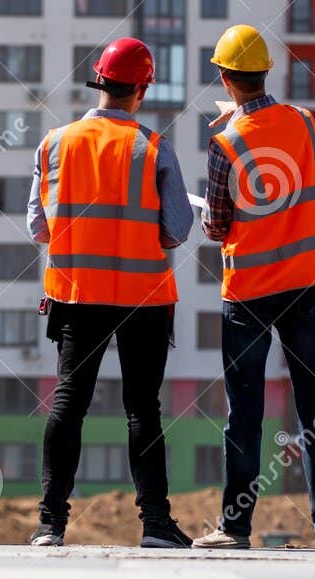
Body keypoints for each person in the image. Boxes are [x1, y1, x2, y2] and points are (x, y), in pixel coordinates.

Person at [192, 25, 315, 551]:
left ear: (223, 76)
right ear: (265, 73)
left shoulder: (225, 144)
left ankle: (235, 528)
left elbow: (218, 226)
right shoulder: (305, 123)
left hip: (250, 289)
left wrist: (238, 130)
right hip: (307, 283)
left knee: (244, 412)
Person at [25, 37, 194, 549]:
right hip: (143, 296)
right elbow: (178, 228)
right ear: (141, 89)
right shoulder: (153, 147)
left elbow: (38, 225)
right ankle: (156, 525)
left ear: (99, 83)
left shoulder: (55, 143)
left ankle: (51, 525)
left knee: (68, 404)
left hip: (78, 295)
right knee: (143, 409)